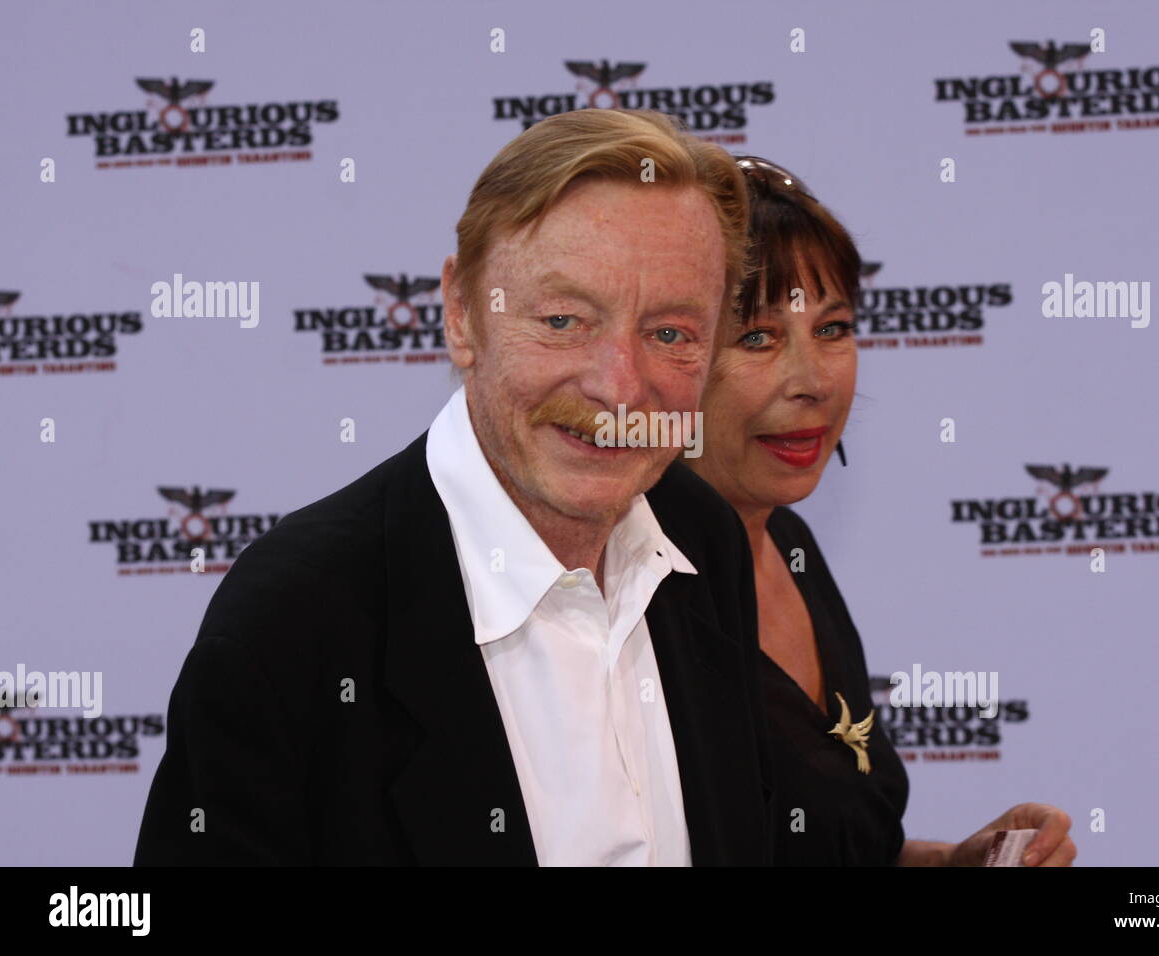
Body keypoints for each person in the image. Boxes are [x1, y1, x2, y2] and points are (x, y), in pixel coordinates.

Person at [134, 110, 774, 866]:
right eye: (564, 319)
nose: (620, 389)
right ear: (462, 315)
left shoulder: (703, 539)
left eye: (670, 333)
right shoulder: (295, 622)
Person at [684, 155, 1077, 866]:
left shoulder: (788, 542)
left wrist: (954, 861)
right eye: (758, 338)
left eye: (831, 328)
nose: (812, 381)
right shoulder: (617, 588)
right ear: (664, 356)